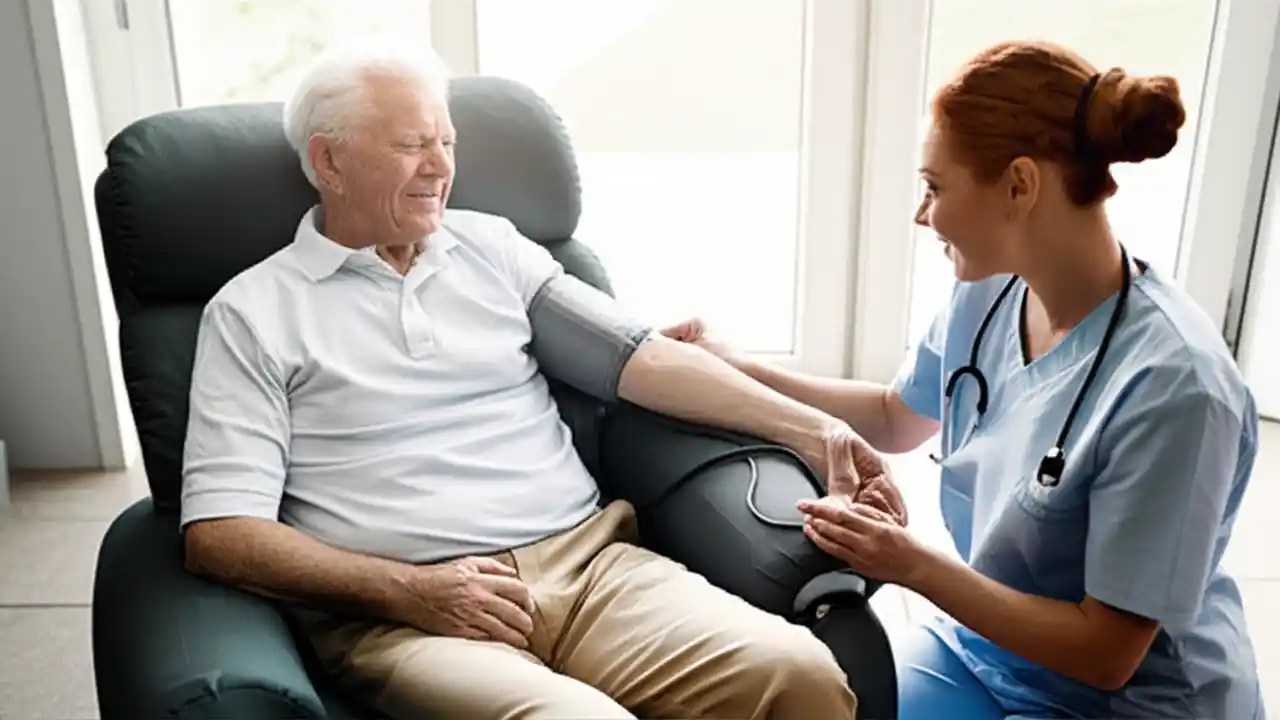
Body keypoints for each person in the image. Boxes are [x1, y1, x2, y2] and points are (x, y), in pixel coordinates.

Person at [176, 43, 875, 720]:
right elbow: (220, 532)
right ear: (330, 160)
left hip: (590, 570)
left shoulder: (491, 248)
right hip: (407, 614)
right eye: (411, 145)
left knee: (798, 676)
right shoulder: (254, 311)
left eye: (447, 143)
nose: (439, 168)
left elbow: (642, 358)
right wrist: (408, 591)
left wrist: (816, 430)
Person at [664, 40, 1264, 719]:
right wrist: (732, 364)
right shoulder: (994, 291)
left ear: (1019, 185)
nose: (923, 216)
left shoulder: (1178, 388)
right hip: (988, 652)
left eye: (935, 187)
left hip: (1133, 705)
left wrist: (911, 563)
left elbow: (1107, 653)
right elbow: (896, 415)